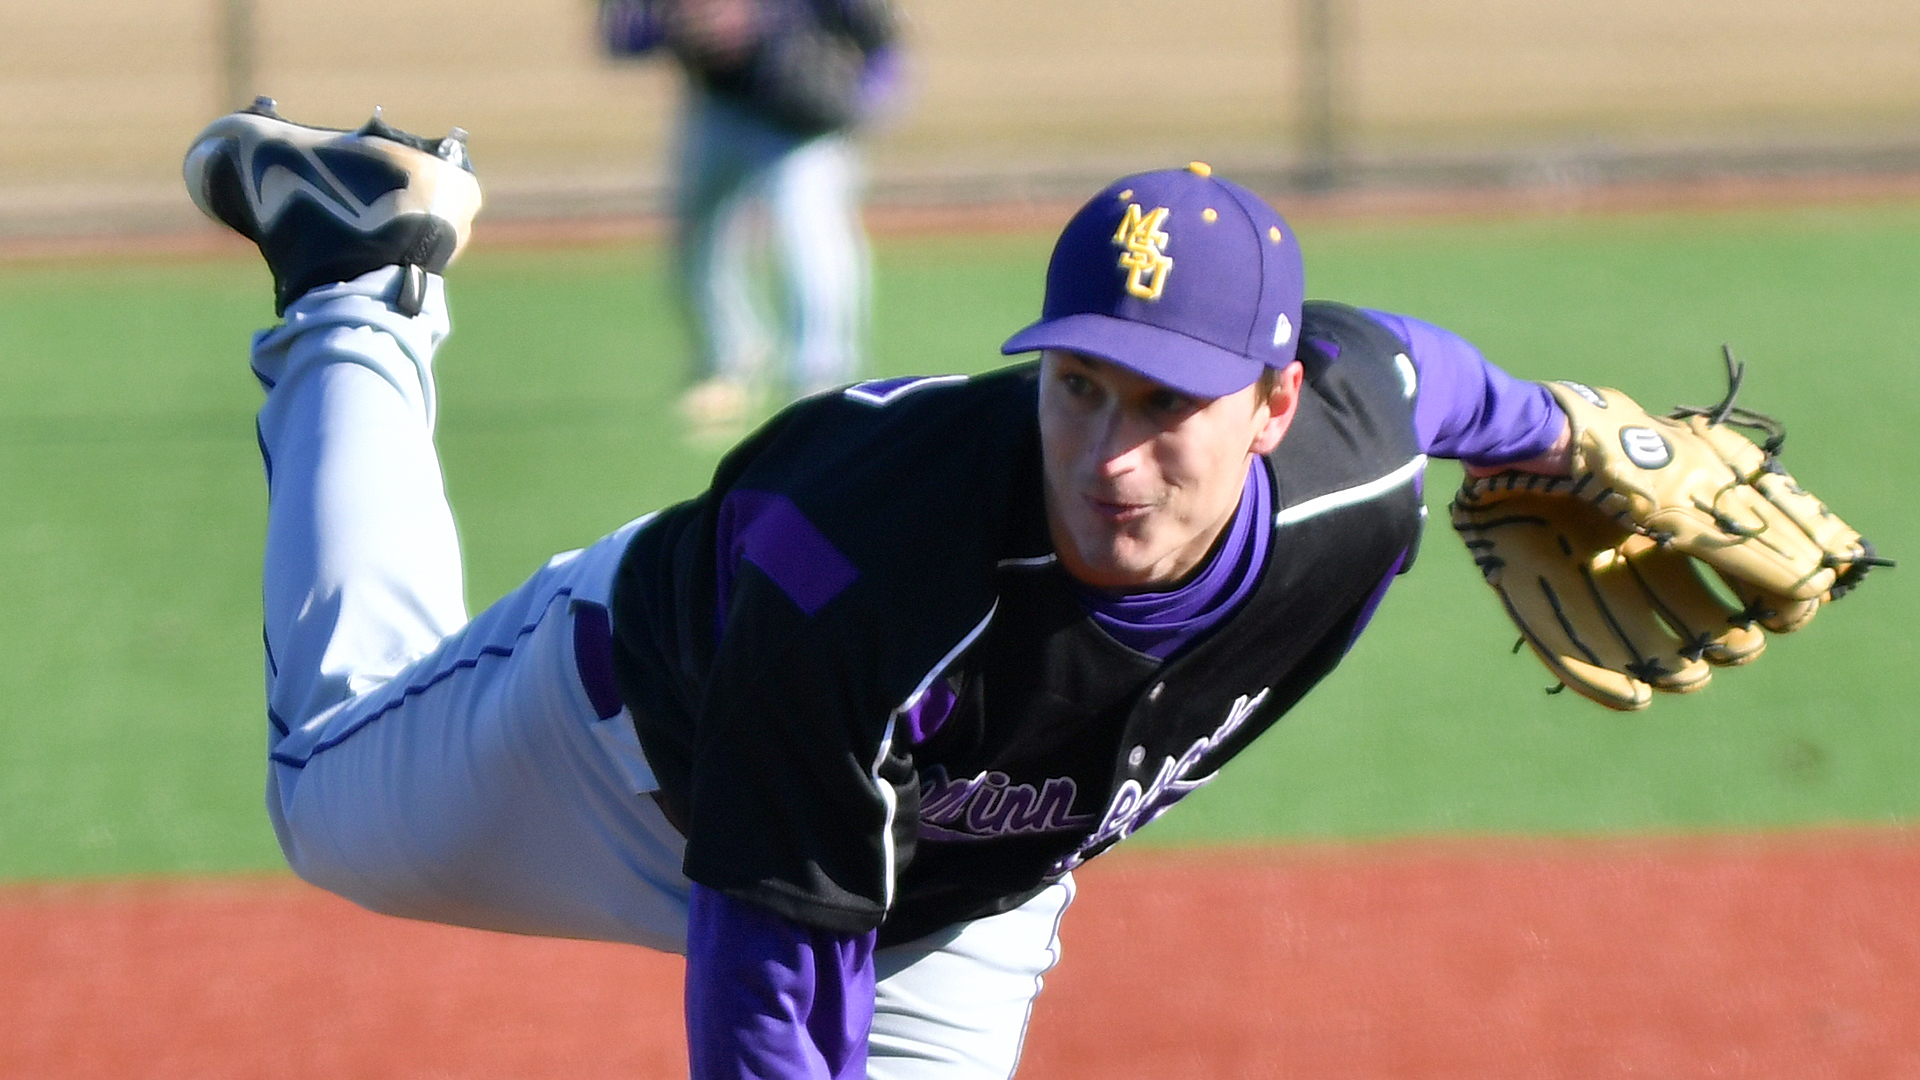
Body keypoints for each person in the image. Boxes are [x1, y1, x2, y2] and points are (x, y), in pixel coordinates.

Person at [185, 101, 1573, 1080]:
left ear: (1276, 405)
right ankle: (358, 283)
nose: (1108, 454)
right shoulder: (870, 577)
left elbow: (1413, 368)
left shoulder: (1348, 468)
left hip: (958, 891)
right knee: (322, 800)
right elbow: (774, 974)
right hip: (624, 761)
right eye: (1078, 387)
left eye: (1165, 404)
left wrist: (1576, 437)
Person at [605, 0, 902, 433]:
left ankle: (822, 381)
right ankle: (728, 364)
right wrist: (676, 27)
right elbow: (625, 38)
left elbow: (880, 37)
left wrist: (870, 98)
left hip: (799, 121)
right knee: (698, 246)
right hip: (718, 110)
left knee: (813, 247)